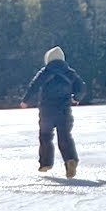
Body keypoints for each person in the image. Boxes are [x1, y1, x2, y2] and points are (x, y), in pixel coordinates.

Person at [20, 45, 86, 178]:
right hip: (64, 110)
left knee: (45, 136)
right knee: (65, 137)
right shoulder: (70, 73)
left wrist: (25, 100)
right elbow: (82, 88)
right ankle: (70, 160)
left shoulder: (45, 72)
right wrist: (76, 98)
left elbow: (34, 86)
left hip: (47, 110)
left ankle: (45, 163)